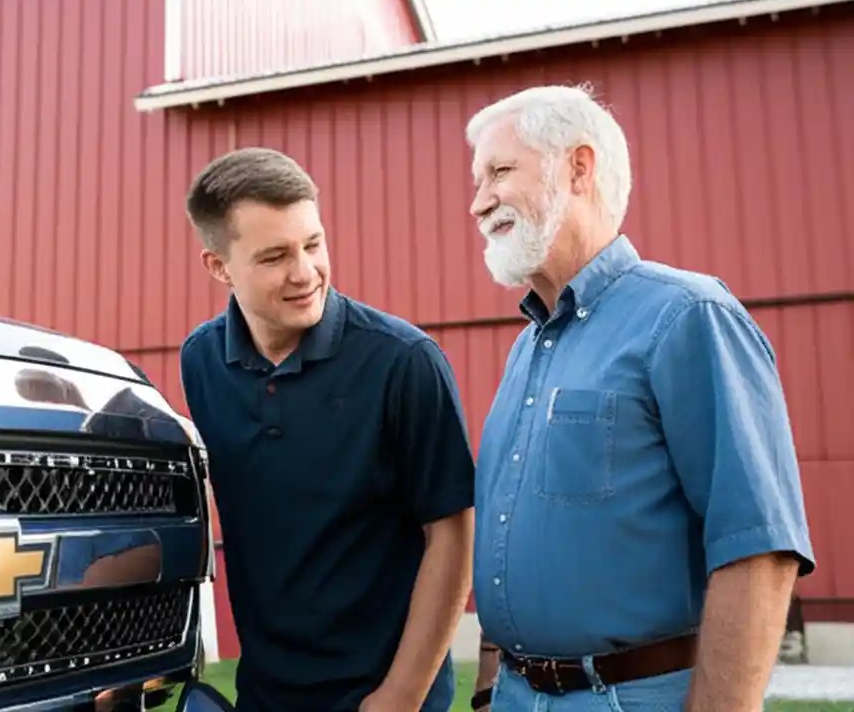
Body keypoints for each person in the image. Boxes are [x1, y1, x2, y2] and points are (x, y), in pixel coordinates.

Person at [463, 84, 815, 711]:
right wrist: (493, 687)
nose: (479, 200)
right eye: (478, 180)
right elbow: (509, 528)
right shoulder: (527, 346)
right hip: (518, 696)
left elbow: (759, 549)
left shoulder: (687, 316)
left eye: (499, 171)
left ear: (578, 168)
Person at [178, 147, 476, 712]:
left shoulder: (405, 362)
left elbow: (453, 533)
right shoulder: (200, 362)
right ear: (219, 267)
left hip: (383, 695)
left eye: (313, 244)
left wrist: (401, 695)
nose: (305, 272)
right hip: (264, 692)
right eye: (274, 257)